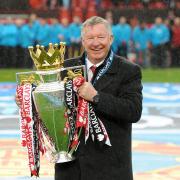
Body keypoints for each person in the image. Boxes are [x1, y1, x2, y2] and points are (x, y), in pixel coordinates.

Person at [16, 16, 143, 180]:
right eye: (90, 38)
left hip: (110, 167)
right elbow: (50, 103)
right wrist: (28, 101)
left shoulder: (128, 70)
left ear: (111, 39)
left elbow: (133, 111)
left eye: (101, 37)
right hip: (70, 167)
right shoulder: (64, 68)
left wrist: (96, 97)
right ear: (83, 41)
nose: (96, 43)